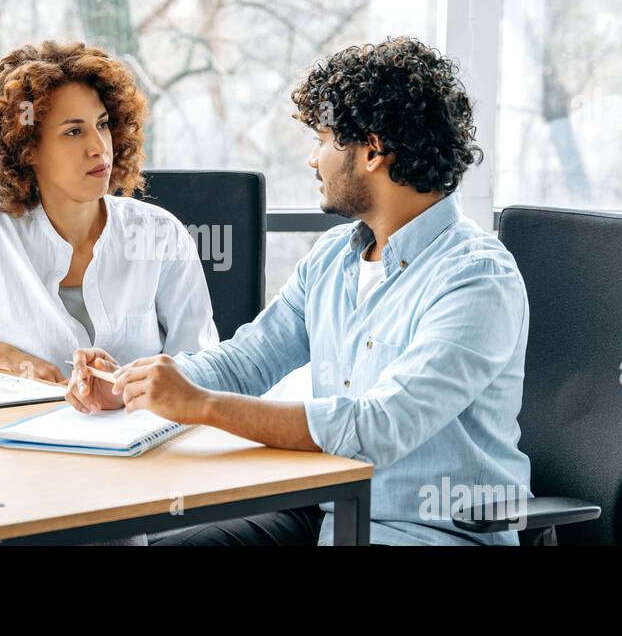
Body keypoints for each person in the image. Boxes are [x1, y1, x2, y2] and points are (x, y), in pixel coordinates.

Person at [68, 37, 533, 546]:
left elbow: (378, 428)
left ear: (373, 150)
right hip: (328, 515)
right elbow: (246, 362)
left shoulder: (476, 278)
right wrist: (135, 385)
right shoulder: (334, 257)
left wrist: (199, 404)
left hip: (430, 531)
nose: (313, 160)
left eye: (325, 138)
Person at [0, 40, 218, 385]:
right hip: (19, 433)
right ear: (28, 149)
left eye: (102, 124)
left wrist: (131, 389)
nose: (100, 148)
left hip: (144, 431)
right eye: (73, 131)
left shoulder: (159, 234)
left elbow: (201, 363)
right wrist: (3, 355)